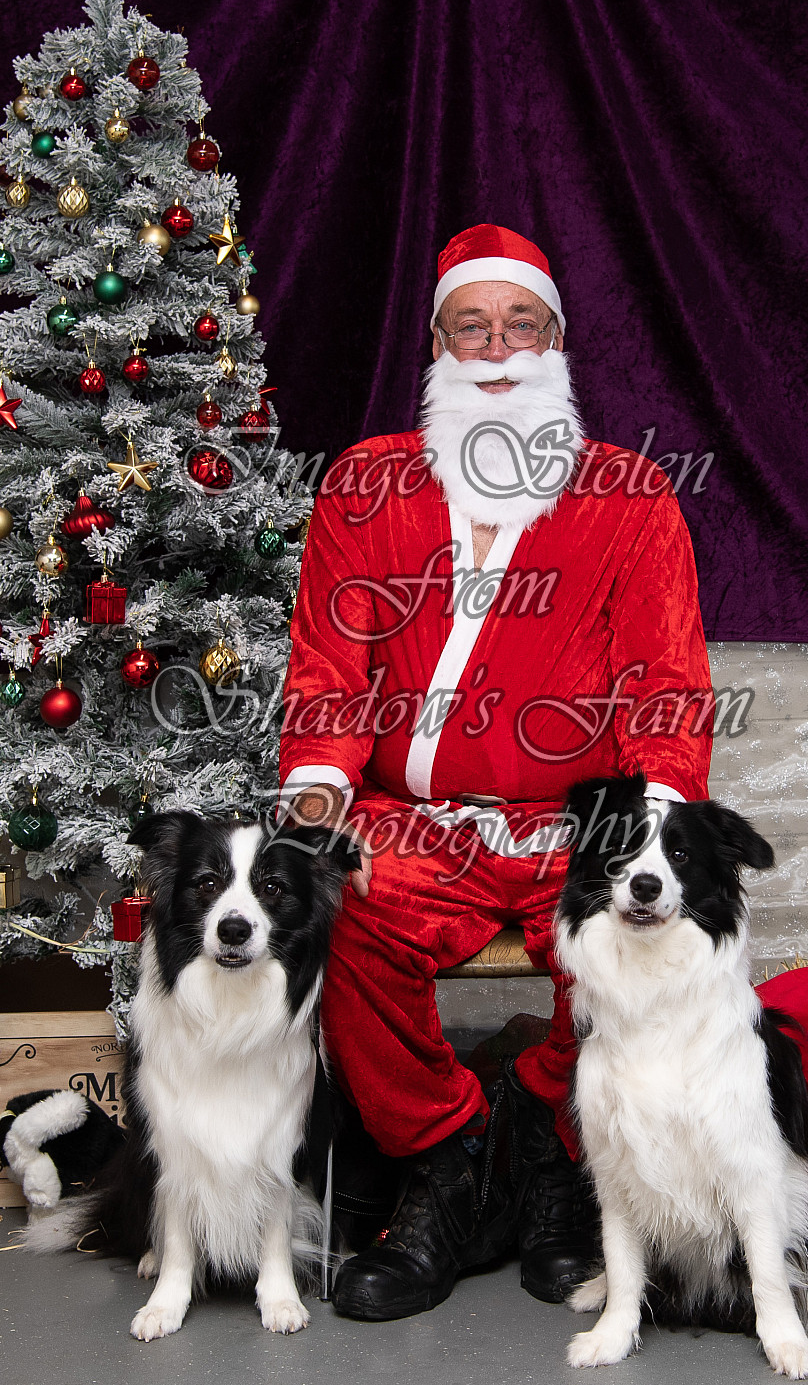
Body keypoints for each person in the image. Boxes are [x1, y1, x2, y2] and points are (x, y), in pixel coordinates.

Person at [279, 224, 715, 1320]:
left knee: (630, 932)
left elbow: (667, 683)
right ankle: (448, 1154)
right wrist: (321, 795)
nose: (497, 348)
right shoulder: (368, 486)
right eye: (470, 327)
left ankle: (554, 1142)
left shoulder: (627, 495)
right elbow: (331, 670)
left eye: (522, 325)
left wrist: (657, 814)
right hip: (416, 820)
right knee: (335, 899)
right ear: (436, 347)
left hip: (579, 821)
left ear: (558, 344)